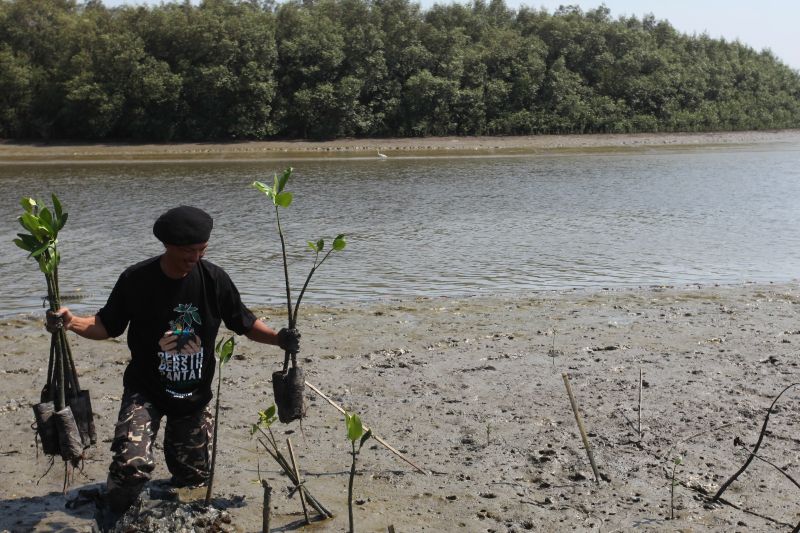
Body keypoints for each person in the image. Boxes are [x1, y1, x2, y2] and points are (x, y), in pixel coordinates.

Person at [47, 205, 299, 517]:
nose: (194, 258)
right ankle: (113, 507)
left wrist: (278, 338)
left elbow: (244, 322)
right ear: (167, 246)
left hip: (193, 397)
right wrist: (71, 322)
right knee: (131, 466)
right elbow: (106, 326)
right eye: (187, 251)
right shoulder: (136, 279)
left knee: (193, 480)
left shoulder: (214, 279)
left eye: (201, 250)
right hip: (146, 390)